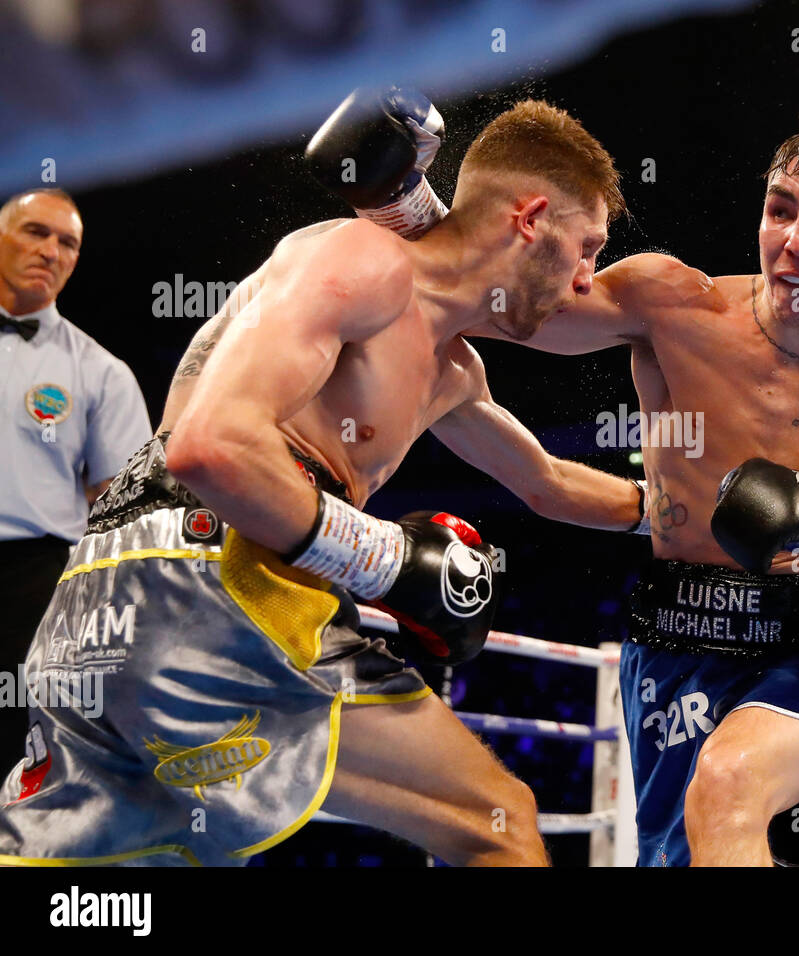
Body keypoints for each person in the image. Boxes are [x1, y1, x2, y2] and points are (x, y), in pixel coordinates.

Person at [0, 93, 645, 867]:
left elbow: (548, 484)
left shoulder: (452, 370)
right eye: (588, 247)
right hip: (209, 575)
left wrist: (693, 517)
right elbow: (211, 446)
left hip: (101, 602)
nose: (587, 279)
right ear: (530, 217)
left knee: (103, 887)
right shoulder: (364, 260)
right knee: (496, 823)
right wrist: (388, 562)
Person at [470, 117, 799, 866]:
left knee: (727, 785)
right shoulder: (673, 306)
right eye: (781, 209)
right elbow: (503, 310)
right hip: (673, 641)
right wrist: (408, 212)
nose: (795, 240)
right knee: (682, 851)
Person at [0, 188, 151, 766]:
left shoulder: (101, 372)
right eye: (36, 232)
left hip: (32, 585)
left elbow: (123, 512)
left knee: (18, 749)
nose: (51, 251)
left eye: (68, 243)